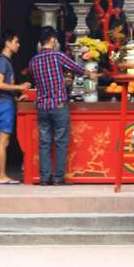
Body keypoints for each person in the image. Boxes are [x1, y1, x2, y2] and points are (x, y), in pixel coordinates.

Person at [28, 27, 80, 186]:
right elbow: (77, 69)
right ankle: (58, 178)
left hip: (43, 106)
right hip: (58, 105)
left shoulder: (33, 61)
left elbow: (38, 80)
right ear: (52, 39)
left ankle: (44, 178)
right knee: (60, 142)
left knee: (44, 143)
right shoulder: (57, 56)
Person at [0, 30, 26, 185]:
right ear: (8, 42)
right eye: (16, 41)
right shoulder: (2, 61)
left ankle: (3, 175)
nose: (18, 45)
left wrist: (18, 97)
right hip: (4, 105)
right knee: (3, 141)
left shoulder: (7, 61)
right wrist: (19, 86)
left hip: (7, 102)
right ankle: (2, 176)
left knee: (5, 141)